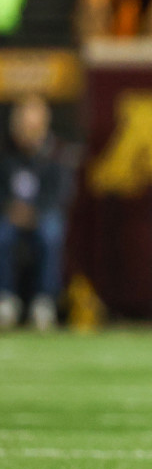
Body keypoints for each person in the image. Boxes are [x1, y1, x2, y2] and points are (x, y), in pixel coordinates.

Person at [0, 95, 75, 331]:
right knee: (2, 234)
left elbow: (61, 194)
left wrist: (35, 211)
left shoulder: (56, 154)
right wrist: (9, 207)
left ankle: (44, 301)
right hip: (10, 216)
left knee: (51, 232)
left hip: (42, 216)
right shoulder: (5, 153)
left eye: (33, 126)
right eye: (24, 125)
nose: (28, 132)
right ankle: (5, 299)